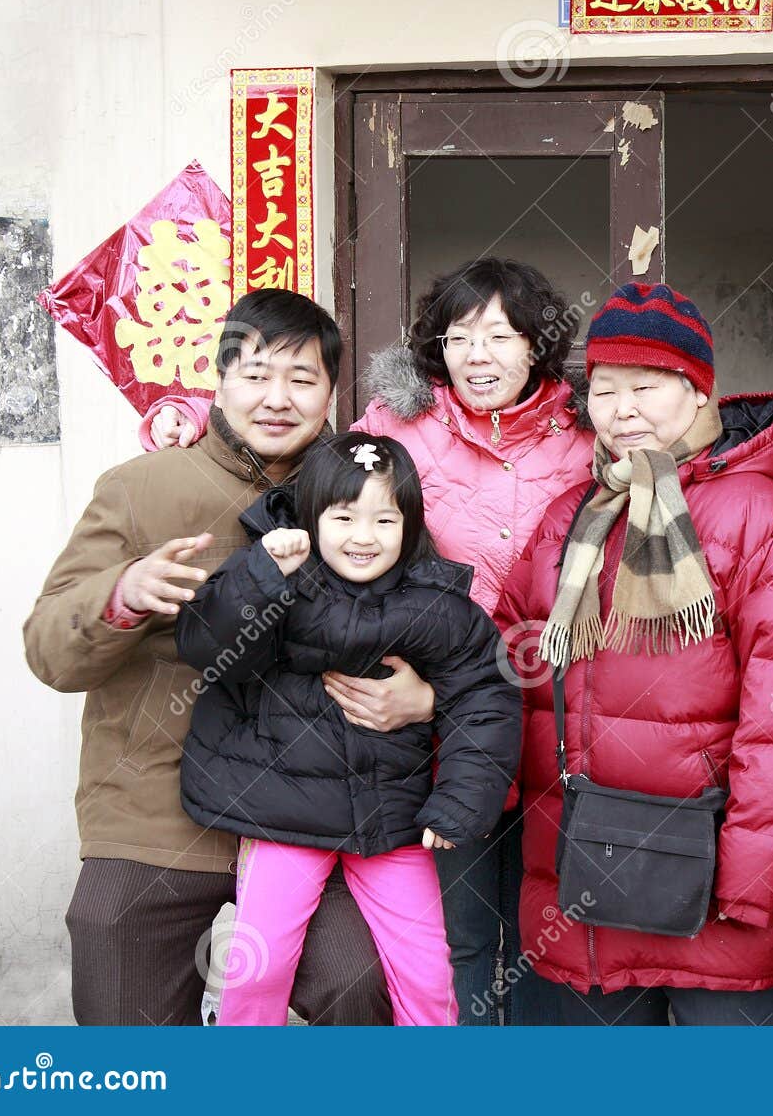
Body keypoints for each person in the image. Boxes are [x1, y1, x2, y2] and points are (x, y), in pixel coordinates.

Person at [138, 258, 594, 1024]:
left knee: (548, 943)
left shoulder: (588, 434)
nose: (478, 355)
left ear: (537, 344)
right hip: (397, 757)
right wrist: (185, 422)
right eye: (459, 337)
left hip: (552, 717)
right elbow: (312, 474)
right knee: (453, 939)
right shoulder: (391, 429)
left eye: (501, 336)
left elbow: (482, 688)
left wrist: (440, 706)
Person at [23, 289, 397, 1025]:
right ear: (219, 380)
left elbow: (429, 621)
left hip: (311, 815)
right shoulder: (140, 489)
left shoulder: (363, 495)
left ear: (331, 393)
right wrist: (123, 594)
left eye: (303, 378)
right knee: (120, 1006)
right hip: (155, 808)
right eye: (256, 374)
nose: (277, 399)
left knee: (357, 984)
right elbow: (50, 652)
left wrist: (419, 693)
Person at [494, 282, 773, 1026]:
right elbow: (509, 672)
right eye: (606, 389)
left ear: (697, 393)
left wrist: (752, 884)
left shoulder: (756, 514)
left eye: (646, 388)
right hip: (586, 884)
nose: (621, 411)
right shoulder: (573, 517)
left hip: (712, 895)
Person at [176, 432, 521, 1025]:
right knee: (258, 964)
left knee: (429, 969)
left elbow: (486, 698)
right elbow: (207, 643)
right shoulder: (277, 578)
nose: (364, 537)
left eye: (385, 519)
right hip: (280, 811)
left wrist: (461, 802)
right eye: (344, 517)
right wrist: (261, 574)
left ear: (409, 526)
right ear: (312, 515)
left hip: (392, 821)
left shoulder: (436, 605)